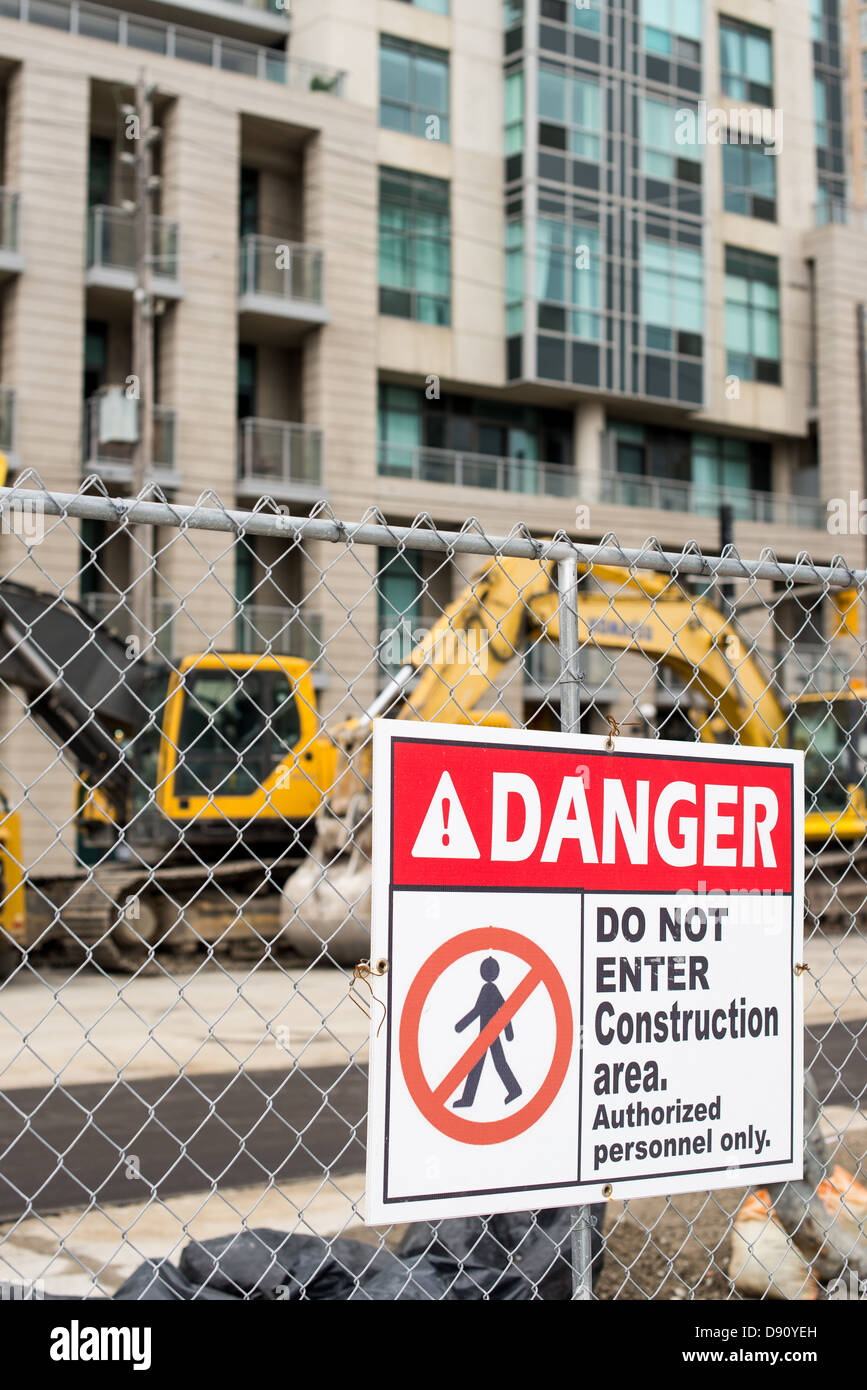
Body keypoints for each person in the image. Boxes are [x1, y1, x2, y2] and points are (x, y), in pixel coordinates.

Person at [453, 956, 522, 1108]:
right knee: (494, 1063)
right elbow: (505, 1011)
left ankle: (469, 1099)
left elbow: (479, 1010)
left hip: (488, 1035)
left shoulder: (488, 989)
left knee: (483, 1064)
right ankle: (513, 1089)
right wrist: (508, 1032)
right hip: (489, 1034)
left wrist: (461, 1025)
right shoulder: (492, 989)